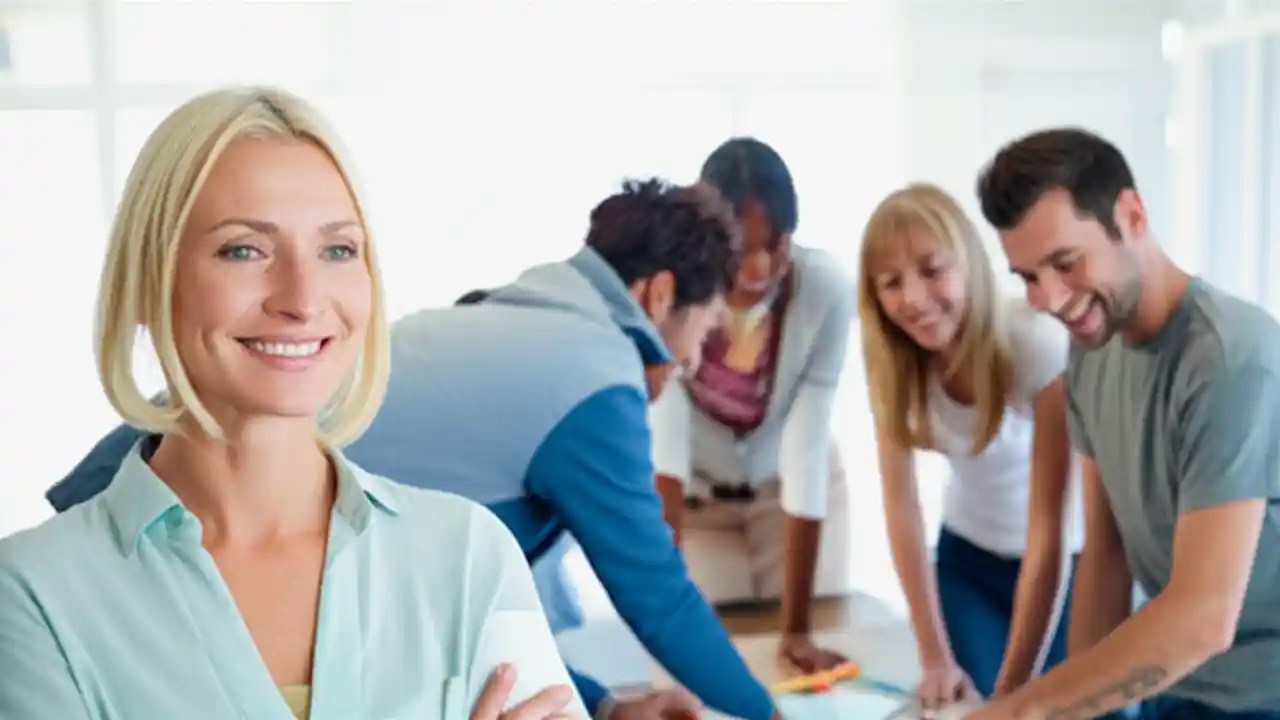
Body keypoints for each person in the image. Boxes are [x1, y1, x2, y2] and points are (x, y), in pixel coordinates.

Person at [44, 179, 781, 720]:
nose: (693, 362)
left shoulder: (527, 317)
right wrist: (770, 717)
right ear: (657, 298)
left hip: (159, 483)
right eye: (705, 327)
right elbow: (658, 595)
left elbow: (450, 631)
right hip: (175, 507)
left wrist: (604, 706)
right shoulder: (594, 377)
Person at [0, 87, 583, 720]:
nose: (303, 299)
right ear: (148, 280)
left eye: (337, 250)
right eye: (244, 250)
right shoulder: (33, 594)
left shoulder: (469, 554)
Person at [965, 127, 1280, 720]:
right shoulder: (1090, 353)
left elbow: (1203, 617)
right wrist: (1081, 710)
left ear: (1131, 216)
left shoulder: (1232, 358)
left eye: (1065, 263)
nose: (1050, 299)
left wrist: (1023, 710)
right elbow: (1105, 558)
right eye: (1028, 276)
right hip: (1173, 687)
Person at [857, 182, 1083, 709]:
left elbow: (1050, 526)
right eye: (891, 283)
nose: (914, 299)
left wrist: (1012, 693)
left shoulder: (1036, 343)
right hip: (967, 563)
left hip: (1060, 564)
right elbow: (901, 508)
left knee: (1042, 706)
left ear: (969, 264)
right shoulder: (891, 360)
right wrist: (933, 655)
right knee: (963, 702)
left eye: (933, 271)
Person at [647, 137, 855, 674]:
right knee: (712, 655)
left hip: (792, 496)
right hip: (700, 502)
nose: (760, 268)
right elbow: (664, 447)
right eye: (742, 249)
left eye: (778, 244)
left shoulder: (825, 288)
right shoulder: (673, 292)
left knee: (799, 654)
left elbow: (805, 448)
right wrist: (660, 634)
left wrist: (799, 631)